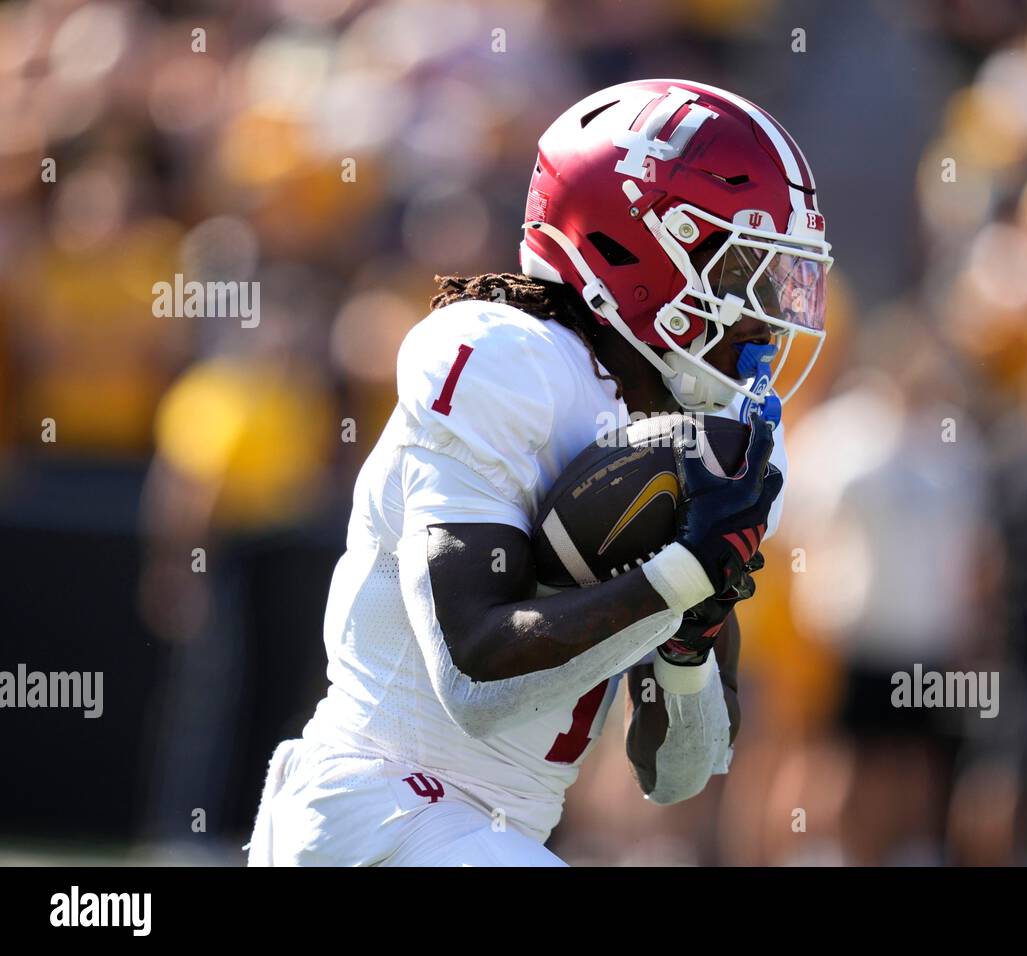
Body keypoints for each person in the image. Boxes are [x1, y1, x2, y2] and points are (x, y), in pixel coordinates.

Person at [246, 78, 832, 866]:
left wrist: (695, 632)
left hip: (497, 833)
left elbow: (674, 773)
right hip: (379, 806)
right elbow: (473, 679)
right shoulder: (506, 359)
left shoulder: (706, 436)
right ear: (638, 247)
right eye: (742, 275)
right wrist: (682, 576)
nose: (767, 314)